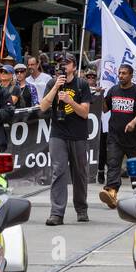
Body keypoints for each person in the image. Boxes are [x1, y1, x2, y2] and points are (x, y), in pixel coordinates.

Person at [38, 53, 92, 225]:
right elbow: (43, 107)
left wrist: (70, 101)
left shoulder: (81, 84)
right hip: (58, 133)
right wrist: (56, 88)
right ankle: (57, 213)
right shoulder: (52, 83)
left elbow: (85, 113)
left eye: (67, 64)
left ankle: (81, 208)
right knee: (58, 171)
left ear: (74, 67)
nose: (63, 66)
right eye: (61, 64)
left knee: (80, 173)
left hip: (78, 134)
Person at [99, 63, 136, 209]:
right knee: (113, 165)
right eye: (119, 73)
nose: (121, 76)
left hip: (134, 139)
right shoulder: (113, 90)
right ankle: (111, 193)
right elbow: (105, 108)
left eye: (124, 73)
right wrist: (101, 97)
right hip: (115, 137)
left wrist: (133, 122)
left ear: (131, 75)